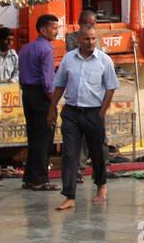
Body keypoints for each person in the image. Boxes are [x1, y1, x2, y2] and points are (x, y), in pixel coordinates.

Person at [48, 24, 118, 211]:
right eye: (87, 39)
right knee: (70, 155)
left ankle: (101, 185)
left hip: (93, 112)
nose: (91, 42)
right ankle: (69, 196)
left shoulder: (104, 60)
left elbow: (111, 87)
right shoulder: (68, 59)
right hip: (71, 113)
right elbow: (60, 85)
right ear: (79, 40)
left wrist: (101, 113)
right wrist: (52, 108)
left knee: (97, 153)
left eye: (94, 38)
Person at [18, 14, 59, 192]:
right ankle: (40, 179)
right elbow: (48, 82)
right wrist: (53, 104)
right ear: (43, 29)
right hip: (41, 95)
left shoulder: (25, 49)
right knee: (44, 138)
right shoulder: (47, 50)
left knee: (34, 137)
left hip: (27, 94)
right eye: (54, 28)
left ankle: (29, 177)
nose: (56, 31)